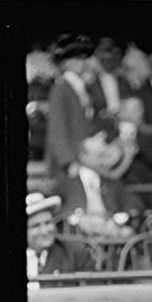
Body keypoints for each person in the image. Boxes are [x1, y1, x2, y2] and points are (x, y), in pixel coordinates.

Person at [45, 34, 97, 213]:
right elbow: (57, 128)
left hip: (84, 157)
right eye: (76, 59)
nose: (81, 63)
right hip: (69, 162)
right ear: (66, 62)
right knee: (76, 208)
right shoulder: (61, 88)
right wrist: (68, 162)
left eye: (83, 59)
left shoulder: (80, 87)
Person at [26, 192, 94, 287]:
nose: (45, 231)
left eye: (48, 223)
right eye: (36, 226)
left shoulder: (76, 253)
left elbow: (92, 295)